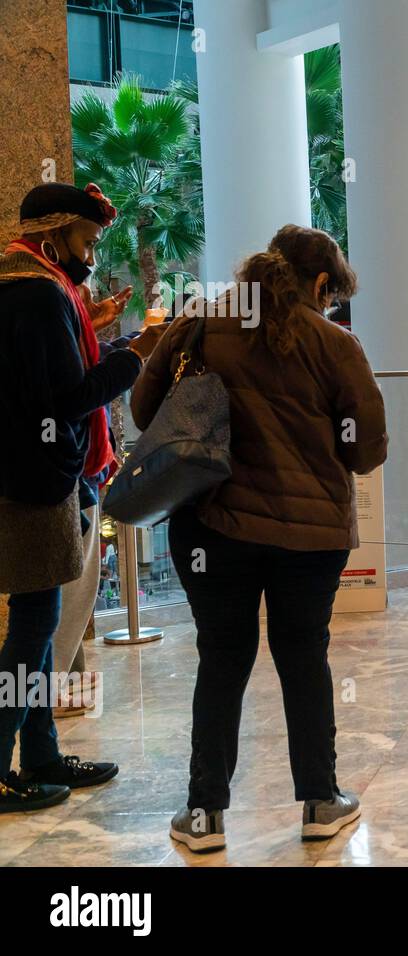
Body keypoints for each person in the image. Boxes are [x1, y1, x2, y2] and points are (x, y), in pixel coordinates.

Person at [131, 224, 387, 853]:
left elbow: (145, 412)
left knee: (222, 658)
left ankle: (204, 817)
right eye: (331, 294)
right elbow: (366, 450)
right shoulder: (336, 345)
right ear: (321, 283)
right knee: (304, 657)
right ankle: (321, 802)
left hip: (212, 527)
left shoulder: (198, 323)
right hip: (311, 535)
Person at [0, 182, 164, 813]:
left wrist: (116, 351)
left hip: (28, 477)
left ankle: (40, 755)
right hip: (34, 484)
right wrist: (138, 356)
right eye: (87, 241)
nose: (92, 255)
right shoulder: (39, 296)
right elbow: (69, 398)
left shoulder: (23, 286)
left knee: (37, 625)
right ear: (53, 235)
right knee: (33, 625)